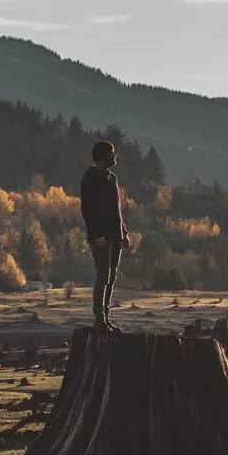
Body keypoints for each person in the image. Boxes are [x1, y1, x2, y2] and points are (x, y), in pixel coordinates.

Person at [81, 140, 128, 332]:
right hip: (101, 237)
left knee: (112, 276)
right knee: (103, 275)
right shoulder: (89, 178)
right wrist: (96, 234)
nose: (114, 156)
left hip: (115, 235)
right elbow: (87, 209)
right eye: (111, 153)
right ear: (102, 156)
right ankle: (99, 319)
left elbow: (116, 209)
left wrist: (124, 231)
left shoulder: (113, 178)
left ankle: (106, 317)